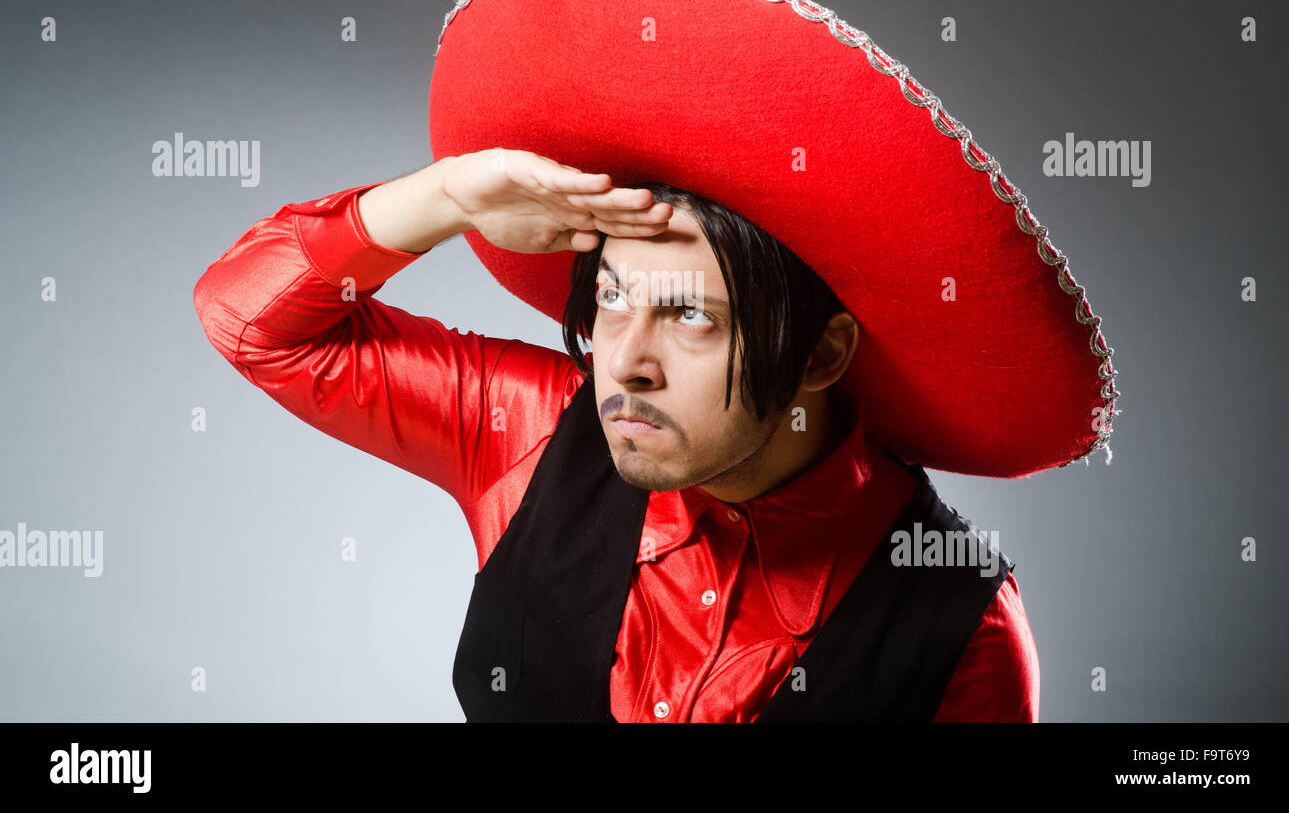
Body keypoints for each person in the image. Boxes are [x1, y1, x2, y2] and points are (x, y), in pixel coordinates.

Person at [192, 149, 1041, 722]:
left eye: (690, 317)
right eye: (611, 297)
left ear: (820, 353)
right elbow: (254, 321)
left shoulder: (961, 625)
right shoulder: (524, 426)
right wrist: (447, 197)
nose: (626, 361)